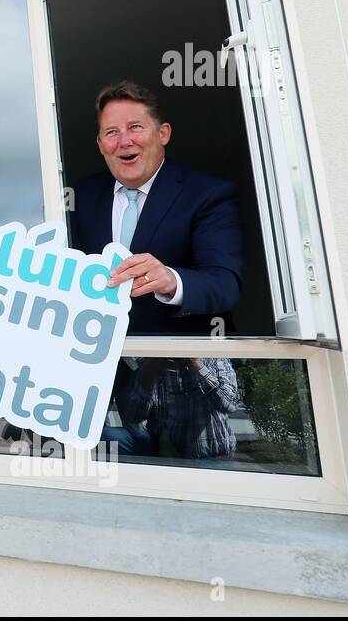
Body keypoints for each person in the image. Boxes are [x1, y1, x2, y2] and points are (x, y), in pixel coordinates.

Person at [68, 81, 244, 455]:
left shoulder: (207, 194)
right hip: (106, 388)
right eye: (111, 132)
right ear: (100, 145)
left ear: (162, 133)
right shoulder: (78, 197)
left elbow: (225, 284)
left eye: (135, 127)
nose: (124, 141)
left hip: (187, 402)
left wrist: (172, 280)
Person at [119, 357, 241, 460]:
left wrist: (197, 365)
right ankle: (108, 480)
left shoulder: (214, 359)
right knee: (111, 437)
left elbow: (229, 404)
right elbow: (133, 417)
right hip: (167, 455)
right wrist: (147, 381)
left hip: (212, 456)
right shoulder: (154, 365)